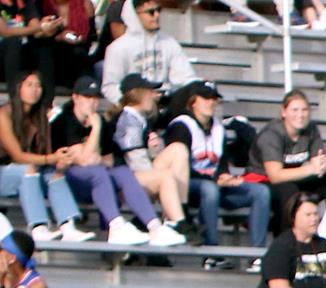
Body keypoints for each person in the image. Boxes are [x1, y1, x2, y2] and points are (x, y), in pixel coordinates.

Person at [50, 74, 178, 245]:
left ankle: (154, 227)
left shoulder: (100, 119)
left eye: (96, 98)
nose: (92, 102)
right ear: (75, 97)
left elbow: (110, 159)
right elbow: (86, 161)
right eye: (87, 97)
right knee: (98, 171)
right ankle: (116, 226)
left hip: (94, 179)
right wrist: (95, 128)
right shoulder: (65, 120)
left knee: (123, 172)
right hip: (65, 181)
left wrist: (95, 156)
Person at [167, 81, 270, 254]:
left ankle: (257, 253)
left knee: (261, 192)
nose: (211, 102)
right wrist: (216, 179)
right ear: (193, 101)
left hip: (214, 185)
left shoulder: (218, 127)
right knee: (210, 189)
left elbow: (221, 163)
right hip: (186, 188)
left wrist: (225, 176)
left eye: (214, 99)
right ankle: (211, 251)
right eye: (206, 98)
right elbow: (179, 167)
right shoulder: (181, 126)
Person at [0, 68, 89, 243]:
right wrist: (51, 159)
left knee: (54, 174)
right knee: (29, 167)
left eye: (38, 86)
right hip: (3, 174)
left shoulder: (40, 116)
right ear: (18, 88)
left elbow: (45, 155)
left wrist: (60, 162)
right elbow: (17, 156)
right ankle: (38, 227)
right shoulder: (3, 114)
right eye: (29, 85)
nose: (34, 90)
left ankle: (68, 226)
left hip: (26, 176)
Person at [113, 72, 189, 235]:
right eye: (150, 92)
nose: (155, 96)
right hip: (125, 178)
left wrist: (153, 149)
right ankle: (178, 221)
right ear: (138, 94)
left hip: (137, 171)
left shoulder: (140, 118)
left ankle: (178, 211)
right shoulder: (128, 120)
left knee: (178, 150)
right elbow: (135, 159)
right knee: (165, 176)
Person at [255, 89, 326, 223]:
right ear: (284, 112)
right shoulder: (272, 134)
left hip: (293, 178)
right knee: (289, 190)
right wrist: (310, 169)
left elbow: (321, 160)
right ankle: (286, 237)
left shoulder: (311, 130)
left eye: (304, 110)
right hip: (263, 181)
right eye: (295, 110)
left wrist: (323, 165)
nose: (300, 115)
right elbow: (275, 176)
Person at [100, 0, 196, 103]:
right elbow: (110, 87)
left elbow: (185, 78)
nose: (157, 15)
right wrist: (133, 103)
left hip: (164, 103)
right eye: (151, 12)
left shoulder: (169, 42)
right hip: (133, 106)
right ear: (134, 14)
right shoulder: (118, 48)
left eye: (158, 10)